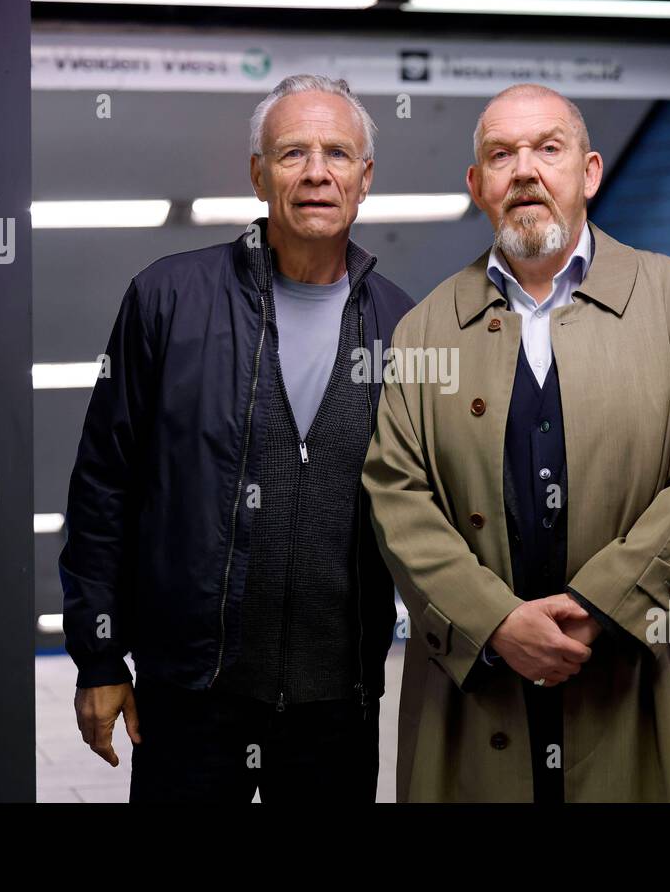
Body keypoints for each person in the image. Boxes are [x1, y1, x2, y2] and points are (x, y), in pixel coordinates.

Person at [362, 83, 670, 801]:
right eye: (501, 155)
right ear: (478, 186)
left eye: (547, 149)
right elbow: (396, 493)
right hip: (483, 685)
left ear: (588, 173)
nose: (524, 170)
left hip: (652, 681)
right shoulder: (425, 330)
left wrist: (606, 606)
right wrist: (494, 621)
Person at [59, 74, 414, 802]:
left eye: (338, 154)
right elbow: (104, 487)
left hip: (336, 705)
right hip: (190, 695)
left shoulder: (403, 325)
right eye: (292, 154)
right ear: (258, 173)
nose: (317, 172)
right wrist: (98, 658)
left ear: (365, 177)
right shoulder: (168, 299)